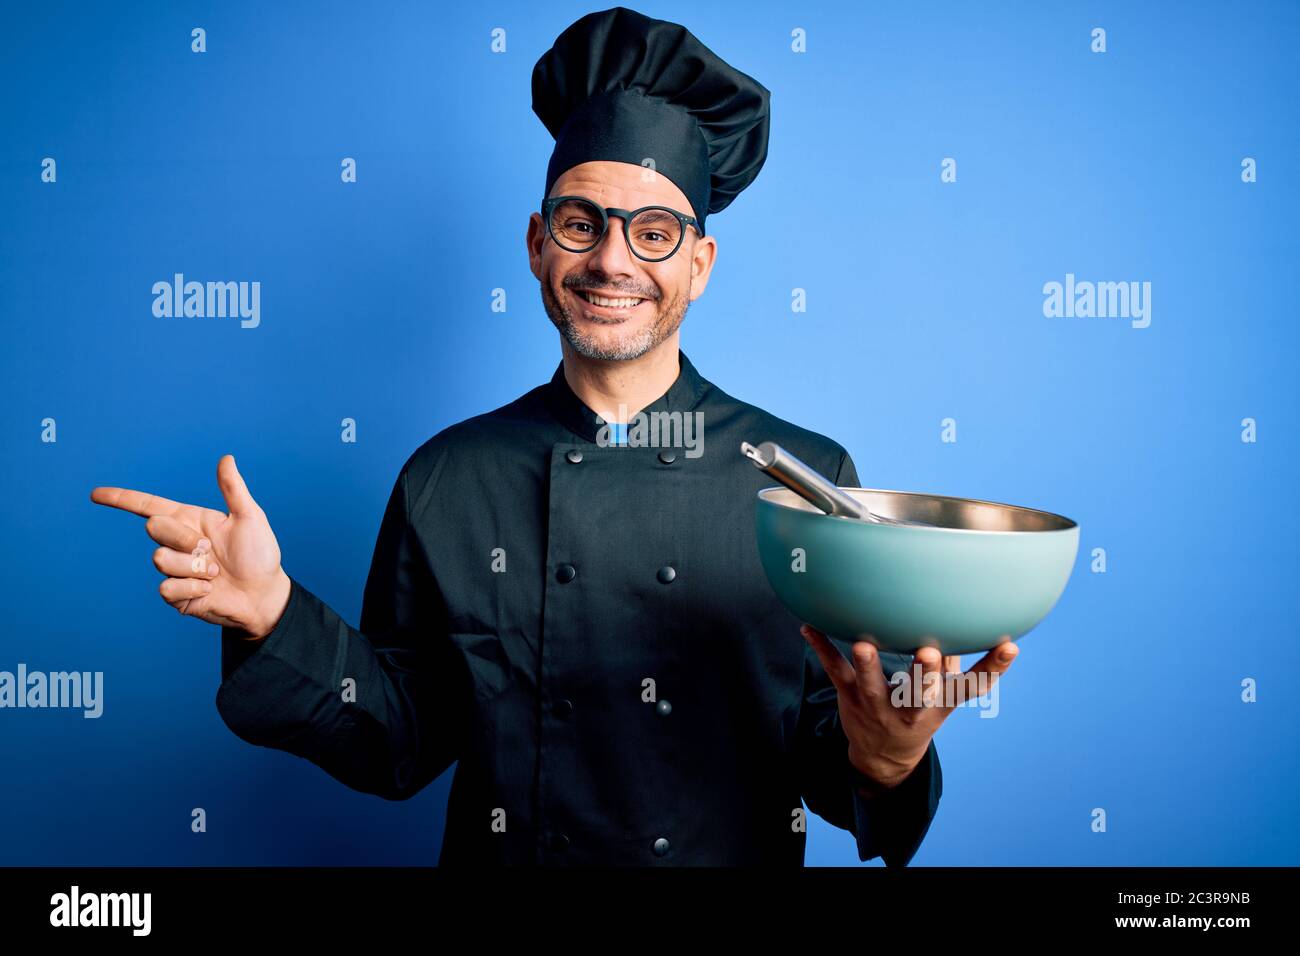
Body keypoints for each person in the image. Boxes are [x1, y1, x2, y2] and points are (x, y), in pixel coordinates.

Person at [90, 6, 1017, 866]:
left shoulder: (808, 481)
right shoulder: (449, 476)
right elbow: (400, 739)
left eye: (654, 233)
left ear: (699, 264)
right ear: (539, 244)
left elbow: (850, 751)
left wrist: (887, 756)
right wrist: (275, 614)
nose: (612, 260)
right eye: (583, 224)